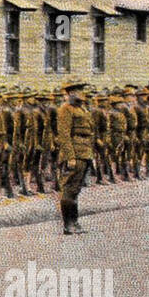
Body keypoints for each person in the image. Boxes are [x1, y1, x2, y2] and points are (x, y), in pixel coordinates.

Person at [55, 80, 94, 236]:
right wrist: (70, 156)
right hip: (75, 154)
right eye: (79, 91)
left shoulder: (82, 108)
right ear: (71, 93)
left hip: (84, 152)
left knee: (76, 189)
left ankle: (75, 221)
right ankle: (68, 224)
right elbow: (64, 134)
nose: (82, 93)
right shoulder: (66, 109)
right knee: (69, 188)